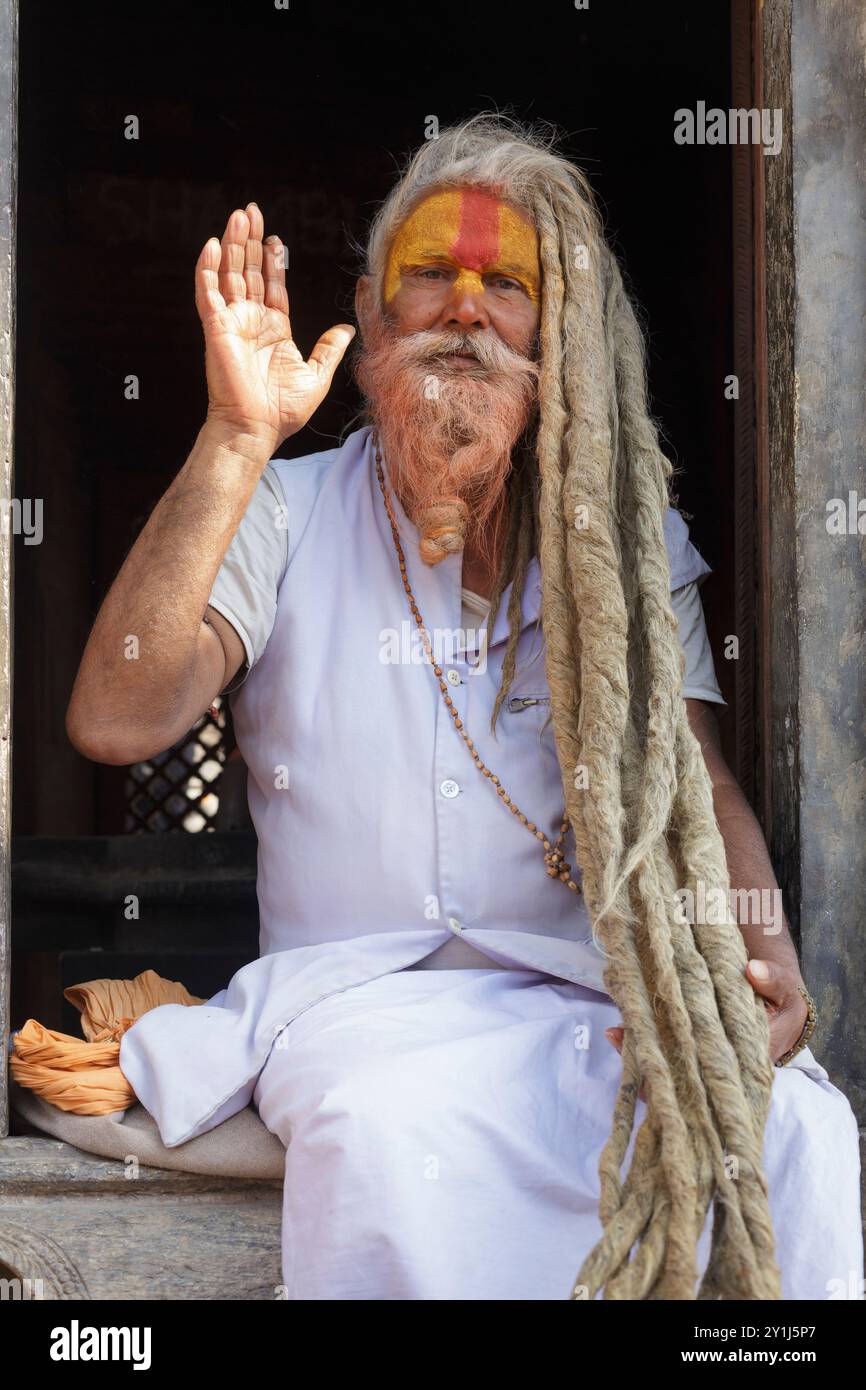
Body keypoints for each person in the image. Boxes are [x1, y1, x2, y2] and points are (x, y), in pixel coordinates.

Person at [66, 115, 862, 1301]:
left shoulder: (627, 544)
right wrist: (236, 436)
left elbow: (698, 775)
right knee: (392, 1133)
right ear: (371, 309)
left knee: (794, 1128)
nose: (465, 308)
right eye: (429, 272)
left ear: (557, 330)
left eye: (507, 283)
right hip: (351, 1011)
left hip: (580, 999)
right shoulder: (283, 511)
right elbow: (116, 720)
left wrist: (759, 946)